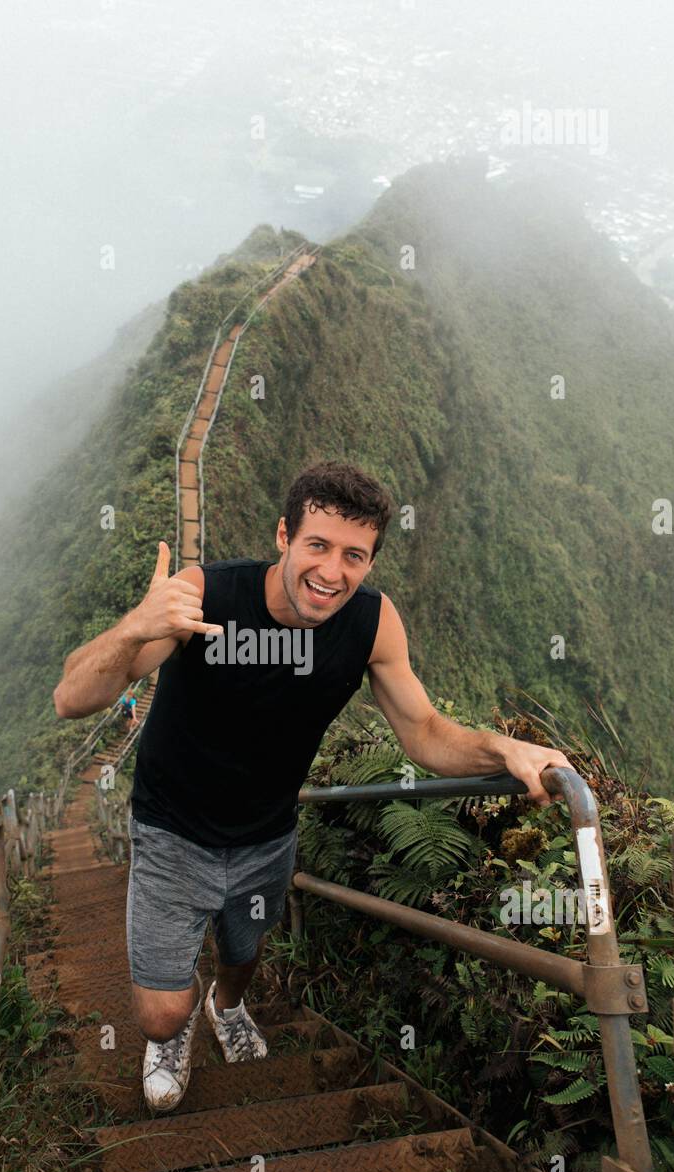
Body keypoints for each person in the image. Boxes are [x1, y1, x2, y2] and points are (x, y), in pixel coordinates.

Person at [53, 461, 573, 1113]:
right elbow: (70, 699)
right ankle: (173, 1032)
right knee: (159, 1016)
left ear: (371, 561)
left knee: (244, 950)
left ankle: (227, 1005)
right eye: (318, 546)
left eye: (354, 555)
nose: (332, 573)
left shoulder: (372, 625)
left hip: (268, 837)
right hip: (170, 832)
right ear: (283, 538)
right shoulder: (206, 596)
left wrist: (504, 747)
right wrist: (139, 624)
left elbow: (425, 733)